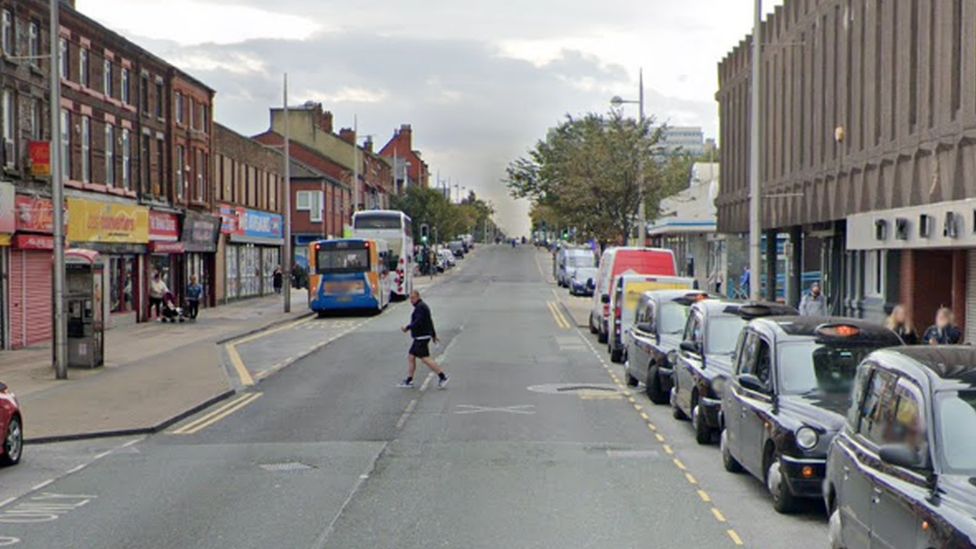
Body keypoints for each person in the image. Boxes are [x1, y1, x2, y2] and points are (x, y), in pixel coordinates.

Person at [398, 290, 449, 389]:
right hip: (421, 336)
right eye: (410, 298)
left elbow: (418, 322)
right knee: (411, 356)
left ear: (418, 297)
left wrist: (407, 328)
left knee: (425, 358)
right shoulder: (421, 306)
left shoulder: (420, 307)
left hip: (421, 337)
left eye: (413, 298)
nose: (411, 301)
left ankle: (443, 376)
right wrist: (433, 335)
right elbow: (429, 321)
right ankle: (409, 380)